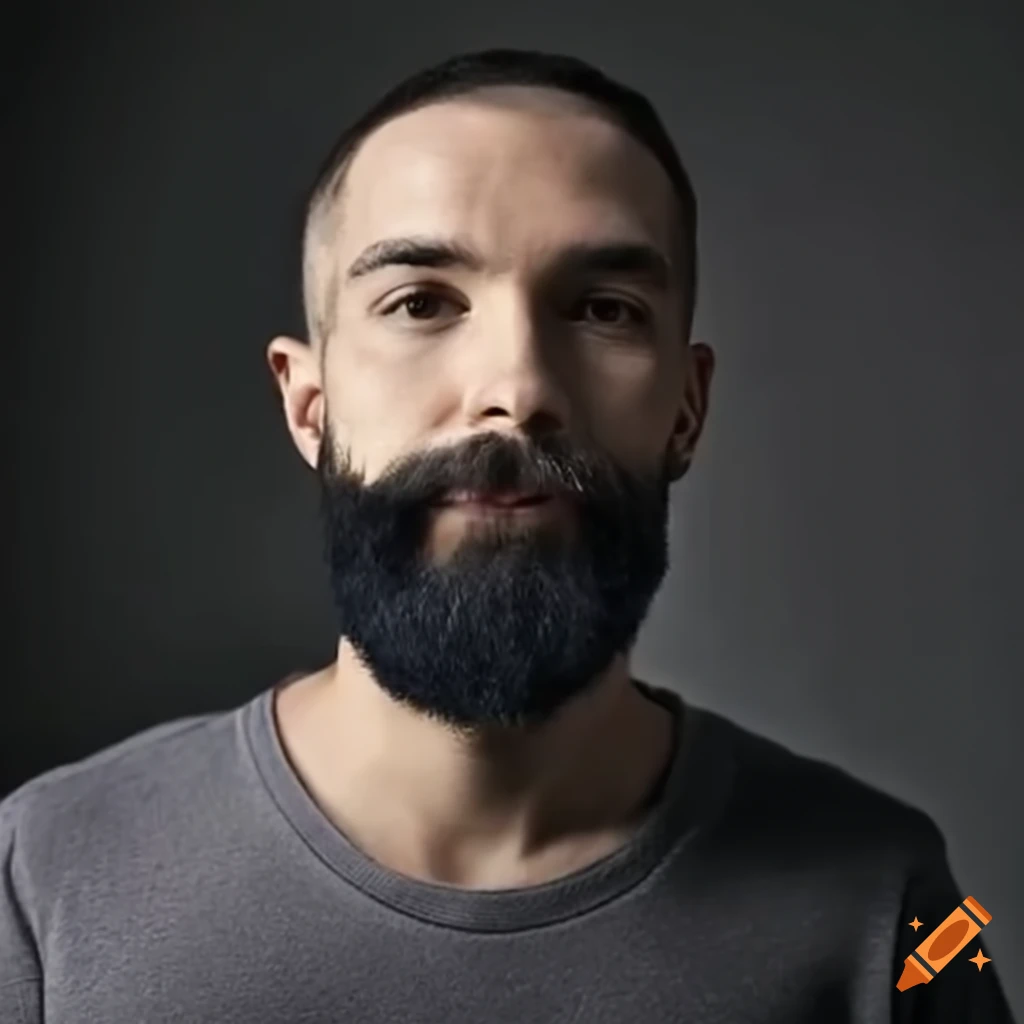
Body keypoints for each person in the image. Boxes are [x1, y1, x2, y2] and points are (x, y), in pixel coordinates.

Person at [0, 47, 1015, 1024]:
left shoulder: (908, 906)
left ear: (687, 408)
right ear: (308, 405)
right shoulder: (36, 879)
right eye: (420, 302)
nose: (517, 389)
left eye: (603, 309)